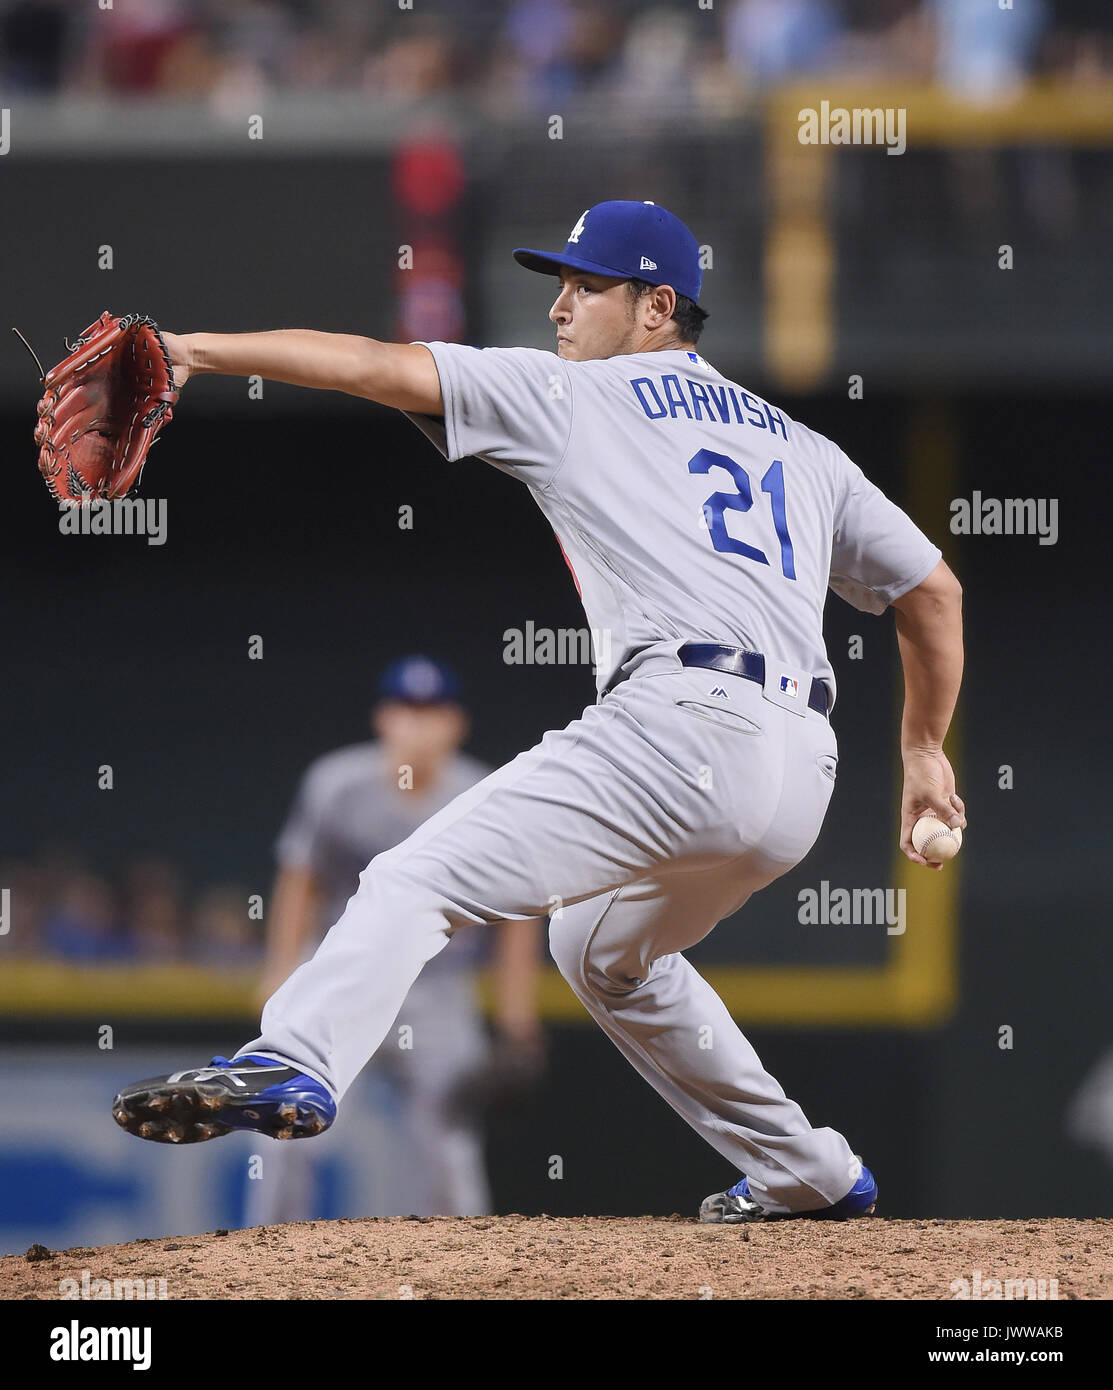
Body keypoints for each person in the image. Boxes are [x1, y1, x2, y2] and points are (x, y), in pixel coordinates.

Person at [114, 199, 966, 1223]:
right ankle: (810, 1173)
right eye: (557, 285)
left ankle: (293, 1058)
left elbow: (368, 364)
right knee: (601, 950)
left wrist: (189, 348)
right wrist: (922, 751)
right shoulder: (805, 446)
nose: (559, 308)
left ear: (658, 306)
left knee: (415, 874)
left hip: (680, 724)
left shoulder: (573, 396)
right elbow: (934, 591)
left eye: (585, 286)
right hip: (800, 776)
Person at [244, 655, 542, 1221]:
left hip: (436, 990)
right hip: (341, 977)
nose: (418, 724)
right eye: (407, 709)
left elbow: (520, 915)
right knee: (283, 1126)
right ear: (383, 718)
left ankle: (461, 1279)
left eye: (432, 711)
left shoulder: (484, 795)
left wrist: (517, 1022)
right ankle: (265, 1264)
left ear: (456, 724)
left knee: (449, 1151)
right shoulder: (337, 783)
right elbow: (299, 880)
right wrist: (280, 970)